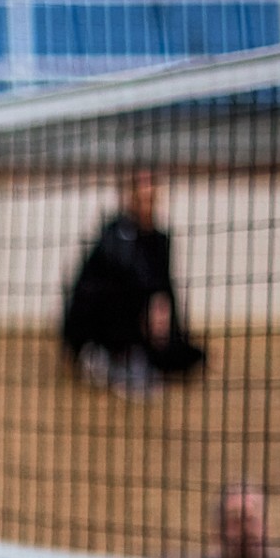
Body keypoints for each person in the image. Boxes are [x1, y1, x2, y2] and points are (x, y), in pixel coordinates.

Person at [62, 169, 206, 395]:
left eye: (151, 199)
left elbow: (166, 287)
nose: (146, 205)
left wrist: (166, 320)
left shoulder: (160, 240)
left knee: (188, 355)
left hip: (146, 327)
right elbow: (117, 283)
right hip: (110, 325)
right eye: (141, 198)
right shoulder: (114, 234)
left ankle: (142, 355)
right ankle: (111, 357)